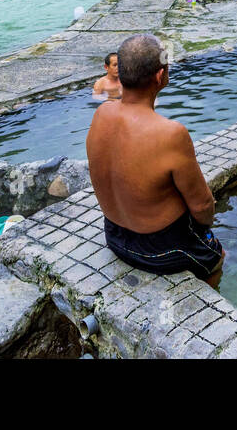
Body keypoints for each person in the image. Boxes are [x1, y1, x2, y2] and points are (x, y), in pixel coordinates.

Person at [86, 34, 224, 286]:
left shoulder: (101, 113)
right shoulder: (171, 133)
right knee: (216, 257)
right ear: (160, 76)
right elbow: (203, 208)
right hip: (160, 251)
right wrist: (204, 229)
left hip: (114, 236)